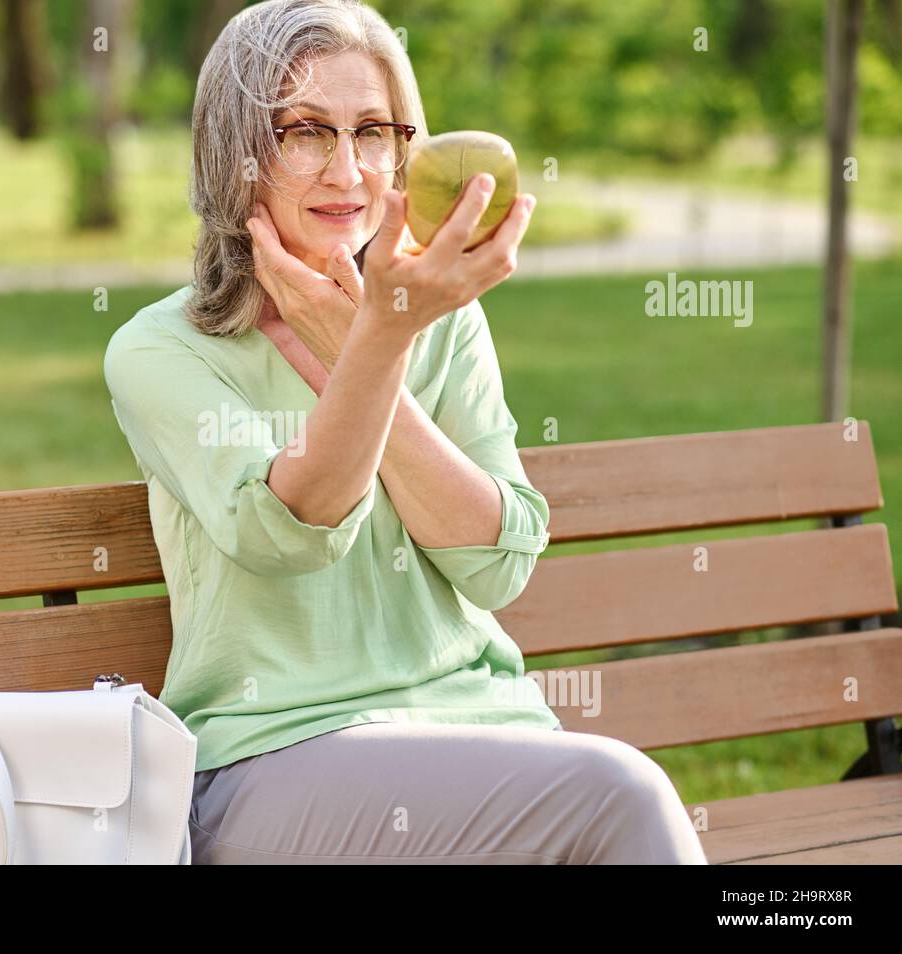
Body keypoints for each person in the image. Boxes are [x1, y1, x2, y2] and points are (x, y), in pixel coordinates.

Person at [103, 0, 707, 864]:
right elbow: (289, 530)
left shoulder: (441, 321)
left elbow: (497, 560)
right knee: (623, 796)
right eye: (306, 132)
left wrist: (371, 337)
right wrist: (378, 341)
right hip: (276, 764)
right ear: (235, 154)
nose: (348, 170)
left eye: (374, 132)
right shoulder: (160, 351)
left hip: (486, 733)